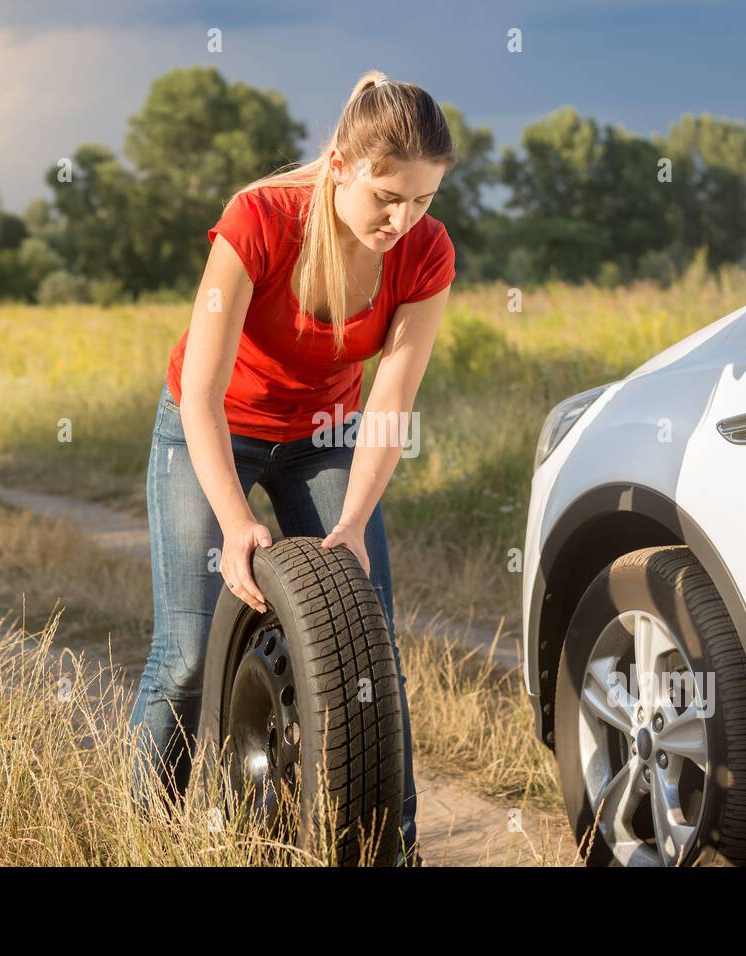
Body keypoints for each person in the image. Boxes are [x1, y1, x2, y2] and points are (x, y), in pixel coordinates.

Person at [128, 69, 457, 866]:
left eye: (421, 199)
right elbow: (202, 390)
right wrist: (240, 524)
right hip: (213, 424)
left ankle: (391, 850)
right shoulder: (260, 222)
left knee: (368, 635)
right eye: (386, 195)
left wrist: (349, 526)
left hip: (326, 434)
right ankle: (139, 829)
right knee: (187, 654)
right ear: (340, 164)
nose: (401, 219)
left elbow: (389, 405)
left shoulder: (425, 255)